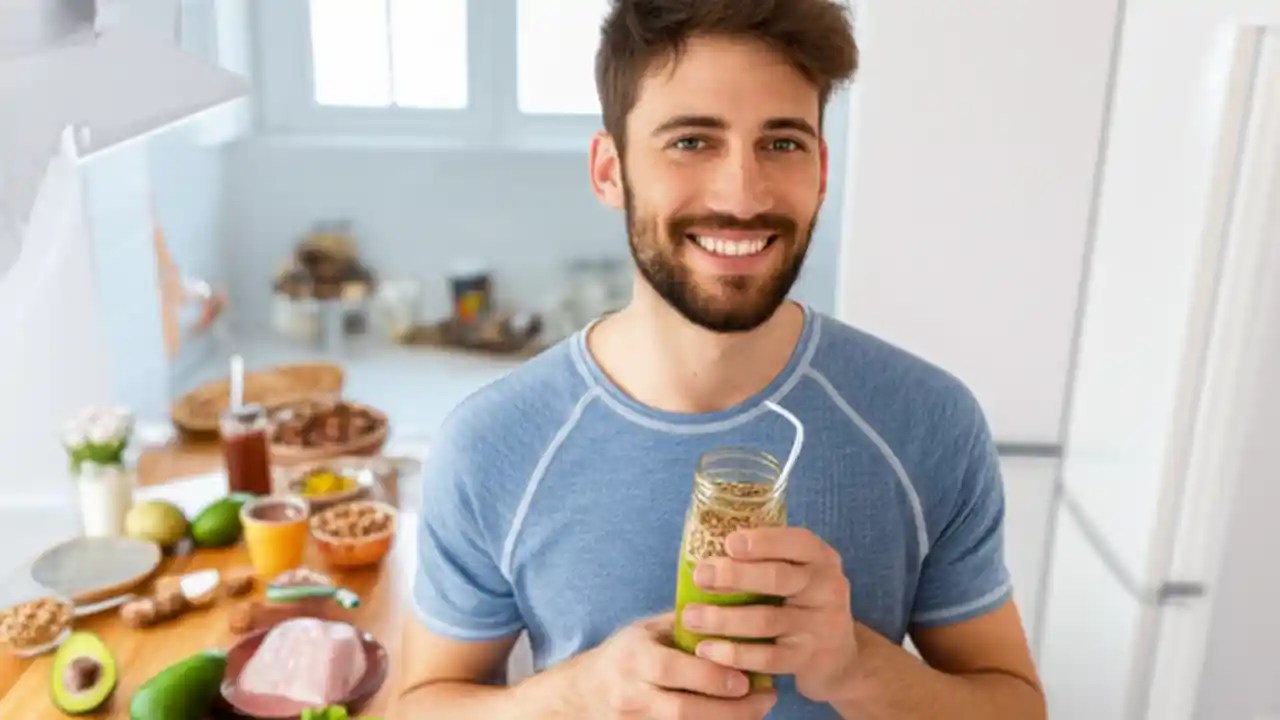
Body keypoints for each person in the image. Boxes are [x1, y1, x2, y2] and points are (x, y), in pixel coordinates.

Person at [397, 1, 1046, 717]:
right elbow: (419, 704)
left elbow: (1016, 705)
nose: (742, 196)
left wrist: (857, 667)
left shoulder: (930, 422)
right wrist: (578, 696)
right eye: (692, 142)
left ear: (822, 171)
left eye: (782, 144)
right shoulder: (492, 445)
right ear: (610, 171)